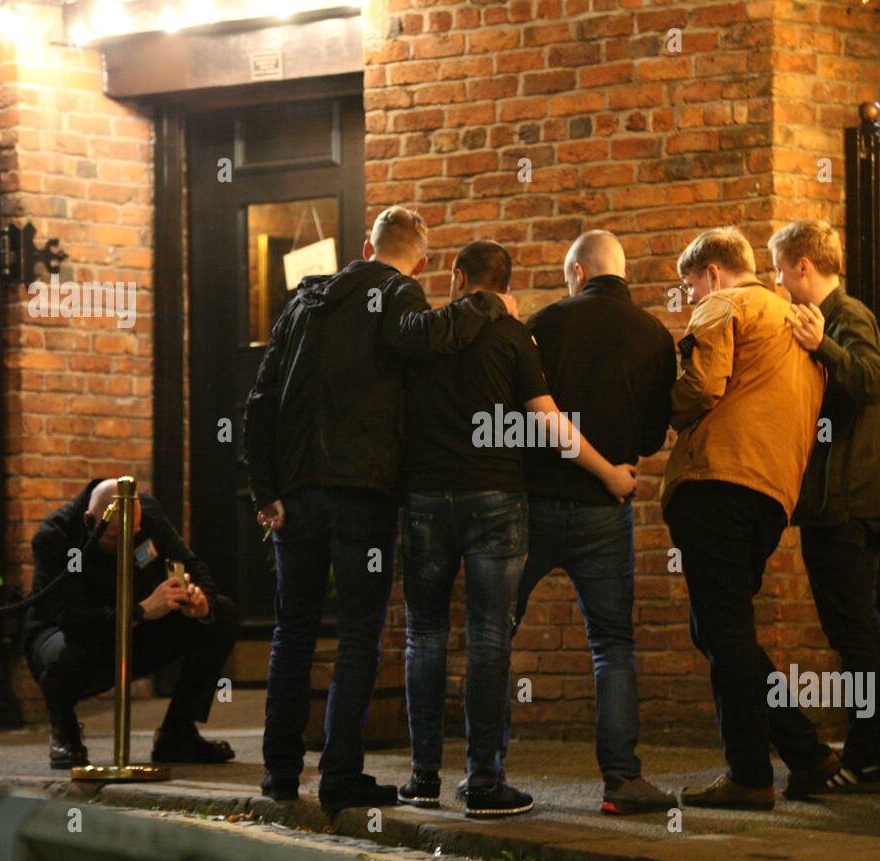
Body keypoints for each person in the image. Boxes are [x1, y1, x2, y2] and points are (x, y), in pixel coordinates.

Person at [244, 206, 517, 811]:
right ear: (421, 259)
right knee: (360, 635)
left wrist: (266, 492)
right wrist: (486, 302)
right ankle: (340, 776)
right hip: (362, 496)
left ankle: (280, 775)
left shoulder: (303, 303)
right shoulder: (399, 292)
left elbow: (260, 400)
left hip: (296, 495)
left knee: (292, 633)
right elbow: (425, 338)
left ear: (367, 246)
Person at [398, 240, 636, 818]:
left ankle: (423, 778)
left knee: (424, 635)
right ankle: (483, 783)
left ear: (456, 277)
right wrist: (608, 473)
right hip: (496, 499)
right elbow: (548, 423)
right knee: (488, 636)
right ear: (508, 284)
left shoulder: (423, 335)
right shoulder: (513, 338)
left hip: (426, 497)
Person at [496, 230, 678, 815]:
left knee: (497, 632)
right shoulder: (655, 335)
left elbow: (519, 419)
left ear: (577, 272)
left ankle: (486, 773)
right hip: (607, 509)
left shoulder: (543, 326)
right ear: (620, 273)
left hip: (536, 504)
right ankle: (622, 781)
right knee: (613, 645)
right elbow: (653, 436)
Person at [661, 226, 841, 810]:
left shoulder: (725, 304)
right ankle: (806, 753)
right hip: (771, 495)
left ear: (712, 273)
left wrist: (660, 406)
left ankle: (749, 775)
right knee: (717, 626)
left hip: (719, 481)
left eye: (690, 287)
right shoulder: (797, 325)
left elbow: (701, 386)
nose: (690, 299)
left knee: (723, 628)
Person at [769, 219, 880, 793]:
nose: (778, 284)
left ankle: (867, 759)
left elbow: (872, 382)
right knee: (849, 630)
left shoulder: (848, 317)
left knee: (857, 632)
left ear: (802, 266)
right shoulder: (826, 321)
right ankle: (863, 753)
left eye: (780, 270)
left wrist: (823, 346)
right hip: (830, 505)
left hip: (847, 504)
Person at [25, 478, 237, 769]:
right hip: (76, 638)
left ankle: (177, 733)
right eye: (115, 538)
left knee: (221, 614)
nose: (127, 542)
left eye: (133, 533)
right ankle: (65, 731)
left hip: (136, 627)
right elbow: (74, 621)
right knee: (63, 654)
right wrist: (140, 610)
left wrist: (201, 602)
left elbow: (193, 563)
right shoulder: (55, 535)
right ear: (90, 521)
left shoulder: (147, 512)